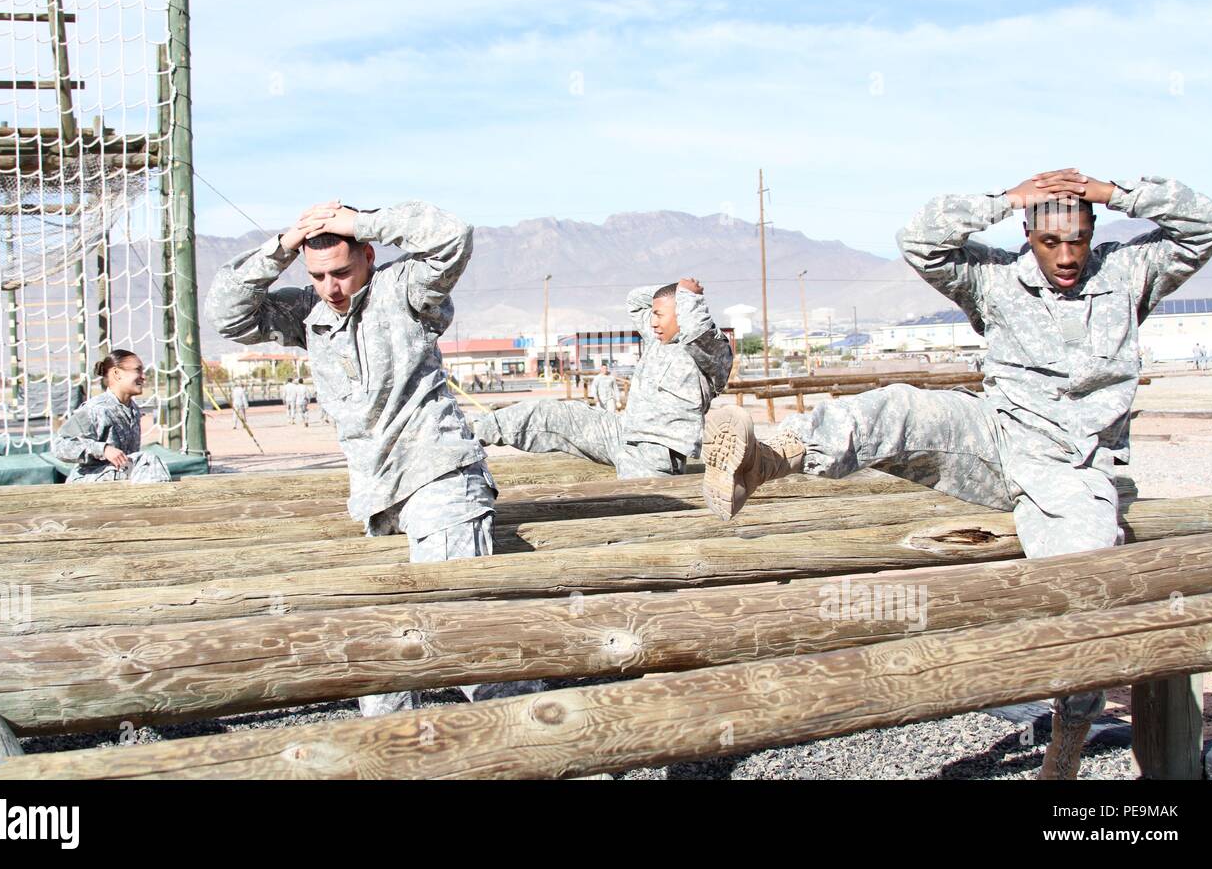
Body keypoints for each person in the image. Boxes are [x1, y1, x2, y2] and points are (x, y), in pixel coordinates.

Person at [701, 170, 1212, 779]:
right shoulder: (997, 278)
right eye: (1051, 242)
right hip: (996, 435)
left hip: (1070, 468)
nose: (1065, 256)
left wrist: (1113, 193)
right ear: (1030, 235)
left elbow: (1206, 224)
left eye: (1077, 240)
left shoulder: (1127, 273)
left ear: (1092, 233)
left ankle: (1067, 741)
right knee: (898, 405)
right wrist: (1003, 201)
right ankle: (767, 459)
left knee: (1084, 594)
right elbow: (920, 240)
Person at [205, 198, 541, 715]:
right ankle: (393, 756)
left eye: (340, 272)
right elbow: (226, 315)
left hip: (439, 477)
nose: (330, 287)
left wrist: (361, 221)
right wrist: (281, 247)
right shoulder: (308, 311)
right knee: (382, 647)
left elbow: (453, 236)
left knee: (460, 634)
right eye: (317, 276)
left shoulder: (403, 288)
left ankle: (549, 747)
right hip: (377, 496)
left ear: (366, 254)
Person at [474, 279, 733, 478]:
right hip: (622, 432)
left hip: (656, 452)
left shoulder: (710, 351)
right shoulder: (658, 340)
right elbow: (635, 300)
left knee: (643, 525)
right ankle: (468, 434)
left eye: (659, 315)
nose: (652, 322)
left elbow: (698, 330)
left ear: (684, 313)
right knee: (551, 415)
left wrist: (688, 298)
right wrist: (674, 290)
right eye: (653, 314)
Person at [53, 349, 173, 484]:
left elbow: (127, 464)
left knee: (151, 465)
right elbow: (60, 446)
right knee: (146, 461)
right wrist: (103, 449)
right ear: (117, 374)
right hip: (87, 480)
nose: (143, 377)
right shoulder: (96, 409)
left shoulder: (133, 410)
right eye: (138, 370)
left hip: (118, 473)